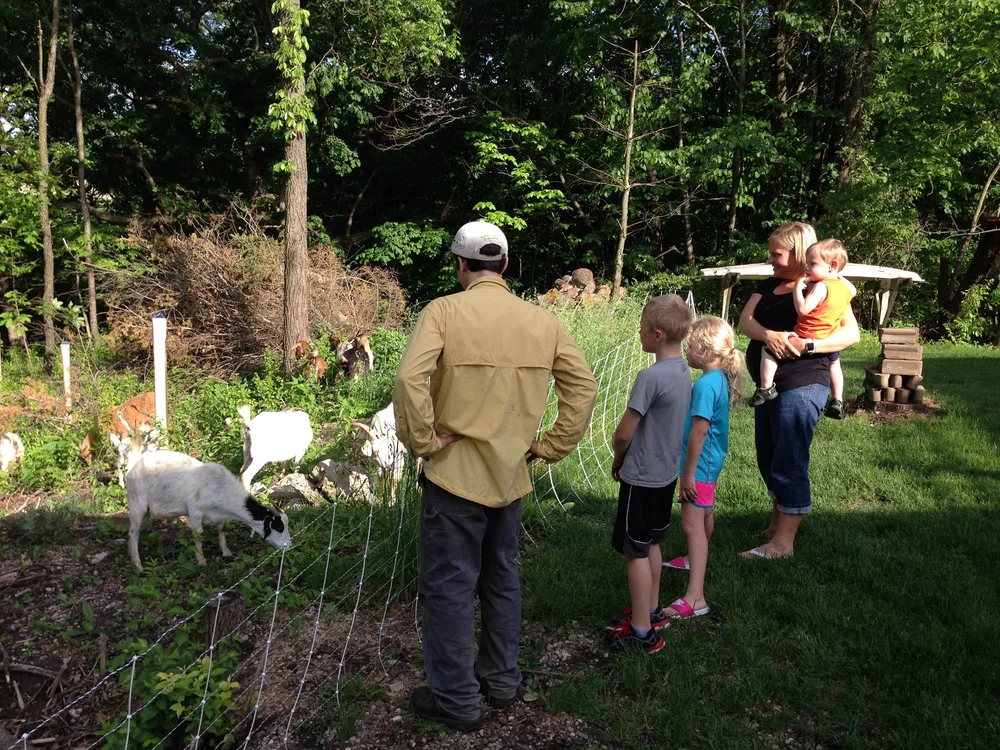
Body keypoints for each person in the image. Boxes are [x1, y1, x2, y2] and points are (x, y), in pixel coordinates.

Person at [392, 221, 598, 731]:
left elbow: (408, 379)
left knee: (449, 587)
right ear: (505, 265)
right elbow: (584, 388)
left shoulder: (442, 311)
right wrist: (549, 446)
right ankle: (502, 682)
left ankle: (458, 700)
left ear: (460, 265)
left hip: (452, 476)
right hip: (510, 476)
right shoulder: (542, 321)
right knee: (502, 579)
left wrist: (422, 441)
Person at [738, 222, 860, 559]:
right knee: (768, 453)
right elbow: (745, 322)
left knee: (789, 455)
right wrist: (769, 336)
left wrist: (809, 345)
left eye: (776, 253)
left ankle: (783, 544)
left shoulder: (825, 285)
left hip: (805, 380)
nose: (771, 259)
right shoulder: (770, 284)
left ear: (797, 252)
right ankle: (778, 520)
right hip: (771, 385)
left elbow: (851, 335)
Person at [605, 294, 692, 653]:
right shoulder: (683, 369)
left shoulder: (649, 376)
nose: (638, 334)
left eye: (642, 329)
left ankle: (642, 632)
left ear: (656, 335)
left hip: (641, 476)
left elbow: (625, 432)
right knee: (652, 542)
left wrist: (618, 458)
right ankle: (652, 609)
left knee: (635, 551)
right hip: (666, 475)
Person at [661, 316, 745, 618]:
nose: (687, 350)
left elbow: (699, 432)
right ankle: (692, 557)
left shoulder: (706, 385)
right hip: (709, 464)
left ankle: (696, 597)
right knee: (704, 514)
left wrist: (688, 474)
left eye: (691, 346)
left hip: (698, 467)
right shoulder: (717, 378)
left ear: (707, 350)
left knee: (691, 526)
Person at [751, 239, 857, 418]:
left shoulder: (820, 287)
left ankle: (766, 387)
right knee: (835, 365)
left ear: (831, 266)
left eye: (812, 264)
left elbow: (802, 309)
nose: (807, 267)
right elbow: (852, 291)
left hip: (805, 336)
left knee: (767, 350)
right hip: (828, 336)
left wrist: (797, 291)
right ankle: (838, 399)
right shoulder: (843, 287)